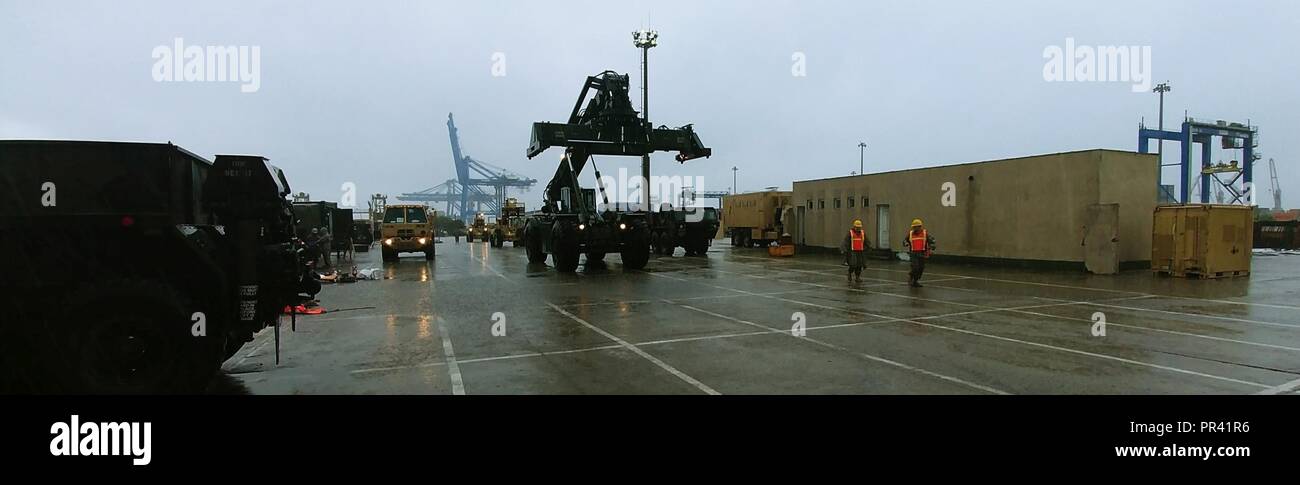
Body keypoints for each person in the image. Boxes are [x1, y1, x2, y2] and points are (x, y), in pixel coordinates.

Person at [903, 219, 936, 287]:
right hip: (913, 253)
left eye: (916, 227)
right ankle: (911, 276)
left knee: (921, 268)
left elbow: (932, 240)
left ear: (920, 226)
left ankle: (915, 281)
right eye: (914, 227)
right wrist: (906, 243)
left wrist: (932, 246)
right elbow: (904, 241)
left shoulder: (925, 233)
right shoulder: (910, 233)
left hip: (922, 253)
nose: (915, 228)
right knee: (915, 267)